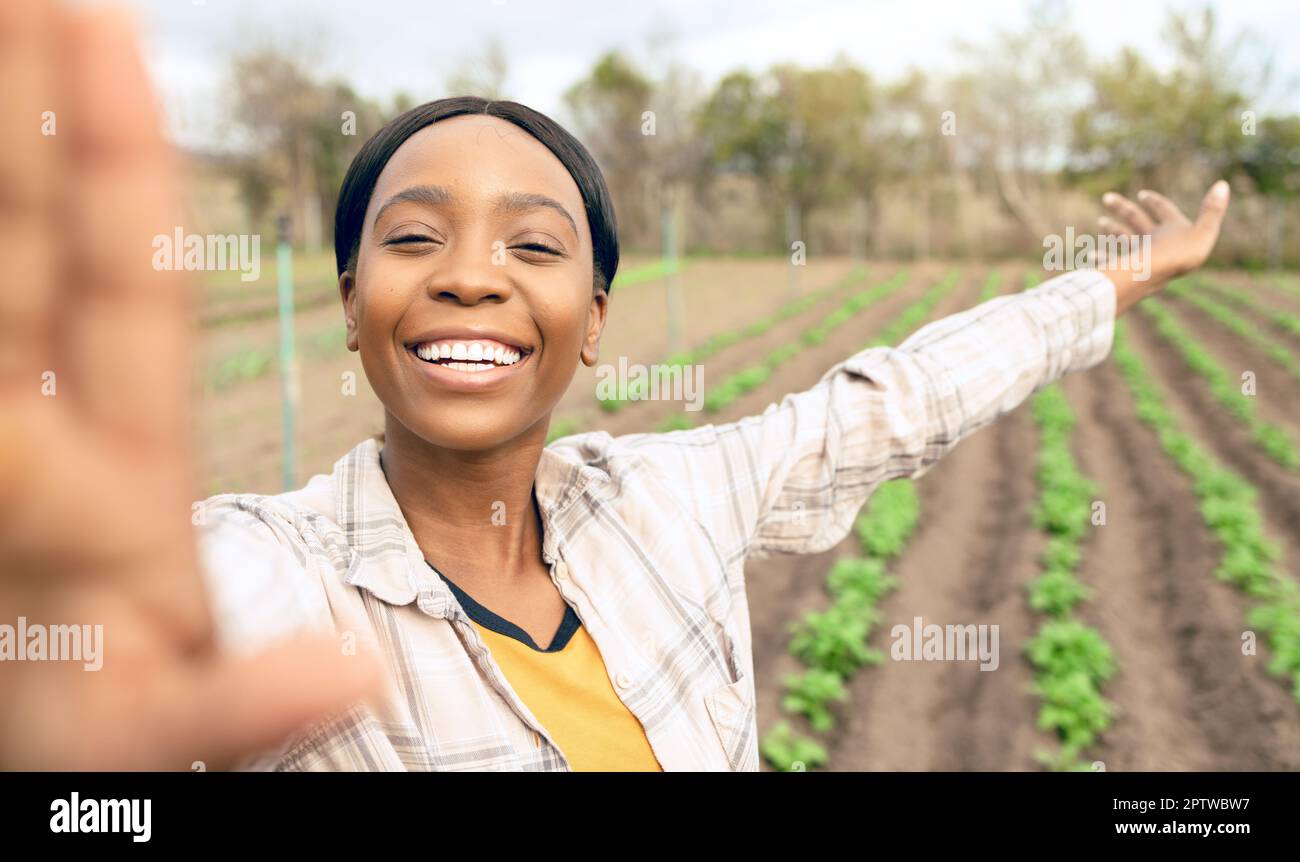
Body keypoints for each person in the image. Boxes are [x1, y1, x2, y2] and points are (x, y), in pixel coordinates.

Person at [0, 1, 1230, 771]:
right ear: (348, 301)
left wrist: (1112, 283)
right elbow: (144, 635)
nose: (471, 276)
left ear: (592, 324)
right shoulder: (270, 570)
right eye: (413, 238)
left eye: (533, 246)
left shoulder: (668, 499)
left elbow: (900, 397)